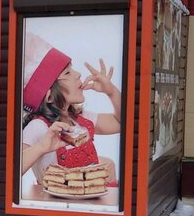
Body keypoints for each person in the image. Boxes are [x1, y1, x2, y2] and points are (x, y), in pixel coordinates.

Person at [19, 33, 120, 188]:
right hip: (58, 207)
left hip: (89, 203)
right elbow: (12, 170)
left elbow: (122, 123)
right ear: (49, 96)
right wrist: (41, 148)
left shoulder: (81, 118)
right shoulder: (38, 127)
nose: (78, 74)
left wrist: (111, 91)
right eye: (67, 73)